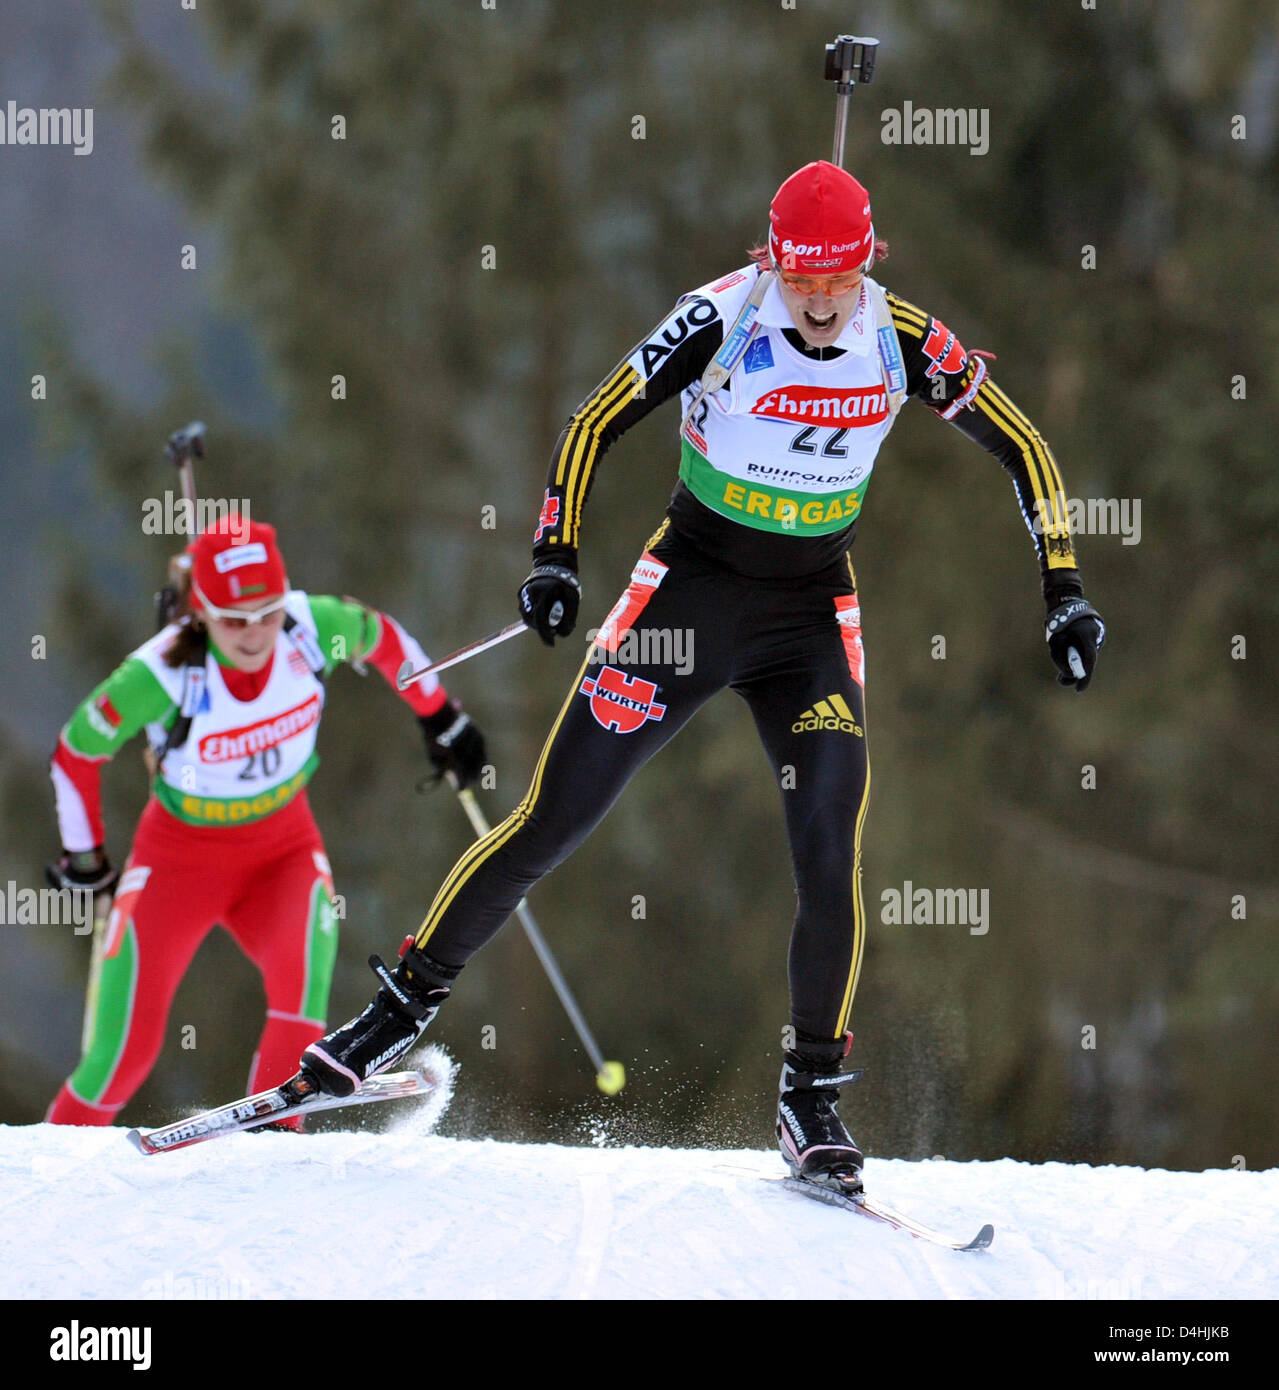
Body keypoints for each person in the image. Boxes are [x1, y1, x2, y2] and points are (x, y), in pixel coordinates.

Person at [298, 161, 1105, 1186]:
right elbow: (595, 420)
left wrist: (1064, 588)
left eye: (837, 281)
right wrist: (554, 554)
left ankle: (809, 1097)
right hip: (688, 598)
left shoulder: (903, 338)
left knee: (827, 843)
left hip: (808, 618)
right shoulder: (721, 319)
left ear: (867, 264)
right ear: (773, 262)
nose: (818, 303)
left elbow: (1025, 445)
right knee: (556, 817)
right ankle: (390, 1015)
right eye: (800, 280)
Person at [45, 517, 487, 1126]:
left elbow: (386, 641)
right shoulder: (162, 673)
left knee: (300, 1002)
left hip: (282, 853)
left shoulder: (312, 630)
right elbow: (74, 755)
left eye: (267, 611)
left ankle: (275, 1158)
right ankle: (42, 1185)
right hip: (176, 862)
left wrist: (441, 718)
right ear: (200, 611)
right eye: (232, 618)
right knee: (121, 1057)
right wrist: (85, 861)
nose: (254, 632)